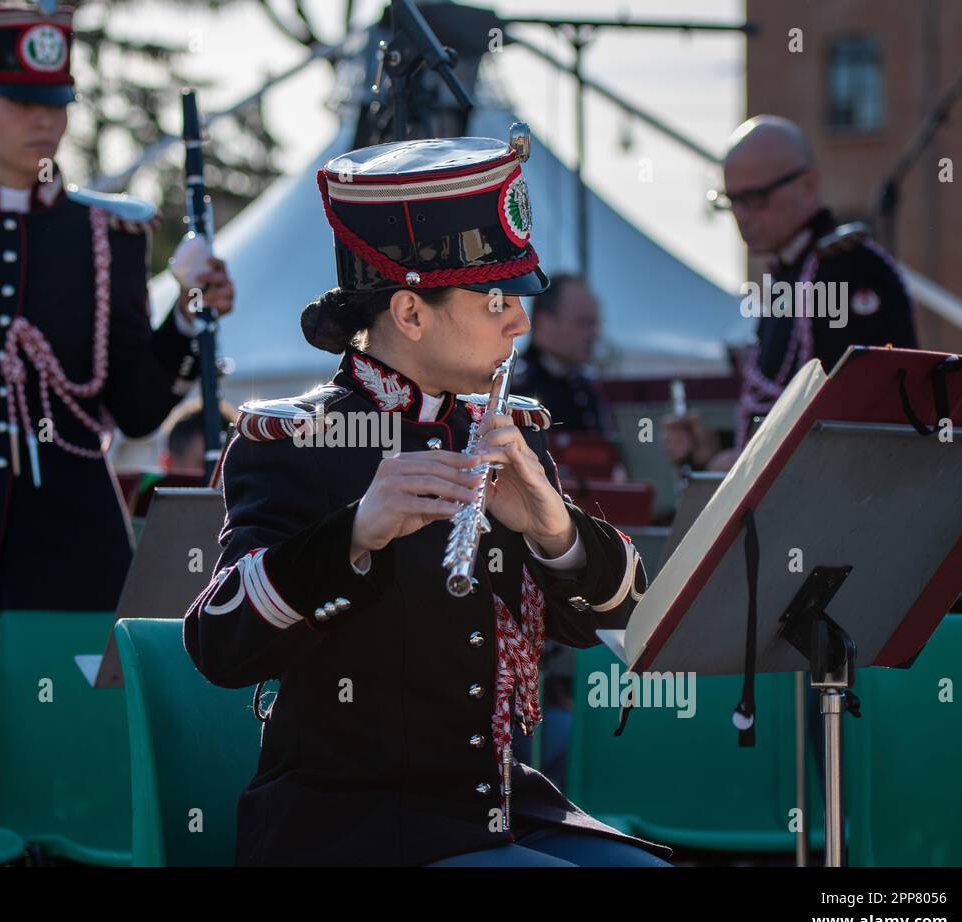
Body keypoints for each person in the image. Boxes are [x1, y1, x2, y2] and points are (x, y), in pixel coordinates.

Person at [184, 133, 670, 866]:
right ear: (410, 313)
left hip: (496, 807)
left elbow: (632, 629)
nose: (520, 322)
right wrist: (352, 536)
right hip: (349, 828)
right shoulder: (292, 440)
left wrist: (554, 529)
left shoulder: (509, 433)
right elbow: (218, 646)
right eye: (496, 300)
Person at [0, 1, 234, 833]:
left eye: (56, 101)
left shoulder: (112, 235)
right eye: (20, 99)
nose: (42, 118)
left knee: (77, 794)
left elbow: (132, 406)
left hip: (72, 556)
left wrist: (184, 318)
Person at [663, 115, 917, 471]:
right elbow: (777, 412)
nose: (741, 216)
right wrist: (713, 447)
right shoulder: (790, 274)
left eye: (755, 199)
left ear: (808, 186)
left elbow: (868, 424)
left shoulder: (850, 269)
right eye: (732, 200)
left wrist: (744, 463)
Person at [511, 273, 613, 434]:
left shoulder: (585, 387)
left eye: (595, 323)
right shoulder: (515, 389)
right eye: (583, 322)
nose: (595, 334)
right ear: (545, 322)